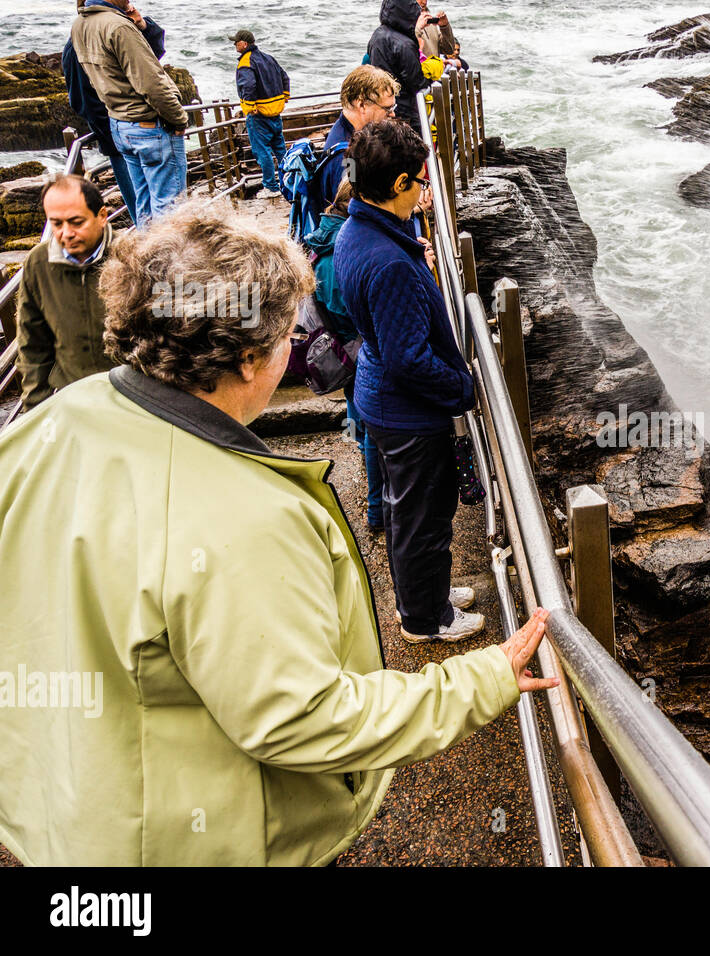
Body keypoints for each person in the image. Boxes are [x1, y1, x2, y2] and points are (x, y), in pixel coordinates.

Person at [0, 197, 558, 866]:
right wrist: (481, 680)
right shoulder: (240, 516)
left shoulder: (48, 423)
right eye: (286, 338)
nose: (294, 348)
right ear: (243, 359)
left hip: (55, 805)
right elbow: (301, 717)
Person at [334, 120, 482, 643]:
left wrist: (411, 251)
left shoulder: (360, 230)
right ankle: (426, 619)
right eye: (419, 182)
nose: (424, 192)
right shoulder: (388, 261)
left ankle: (426, 595)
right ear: (398, 185)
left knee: (405, 511)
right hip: (408, 411)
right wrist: (464, 389)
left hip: (382, 399)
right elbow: (410, 360)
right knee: (423, 518)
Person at [305, 179, 386, 532]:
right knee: (371, 429)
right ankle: (377, 510)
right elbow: (351, 310)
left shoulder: (326, 235)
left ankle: (359, 450)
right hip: (354, 351)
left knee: (357, 417)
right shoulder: (339, 251)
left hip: (344, 348)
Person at [71, 0, 189, 224]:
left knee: (143, 205)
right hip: (148, 126)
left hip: (121, 124)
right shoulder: (119, 27)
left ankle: (148, 258)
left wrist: (141, 25)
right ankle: (168, 259)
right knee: (171, 209)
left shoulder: (80, 24)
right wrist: (179, 119)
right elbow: (151, 83)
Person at [15, 174, 119, 412]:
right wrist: (35, 409)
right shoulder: (38, 263)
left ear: (102, 216)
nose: (66, 233)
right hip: (73, 400)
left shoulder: (134, 256)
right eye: (57, 224)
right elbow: (33, 342)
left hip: (132, 400)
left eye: (76, 222)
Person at [306, 64, 400, 226]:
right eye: (387, 108)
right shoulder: (347, 157)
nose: (392, 114)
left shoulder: (348, 136)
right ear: (361, 104)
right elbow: (356, 213)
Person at [230, 29, 290, 200]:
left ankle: (271, 187)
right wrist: (285, 96)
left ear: (244, 44)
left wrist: (250, 106)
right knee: (280, 149)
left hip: (259, 115)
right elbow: (285, 76)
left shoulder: (245, 62)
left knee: (261, 151)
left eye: (236, 42)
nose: (235, 45)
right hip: (275, 113)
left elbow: (248, 85)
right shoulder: (269, 58)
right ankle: (289, 180)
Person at [367, 0, 431, 127]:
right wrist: (430, 82)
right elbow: (416, 81)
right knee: (414, 142)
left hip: (382, 104)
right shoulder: (405, 44)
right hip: (405, 108)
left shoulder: (376, 36)